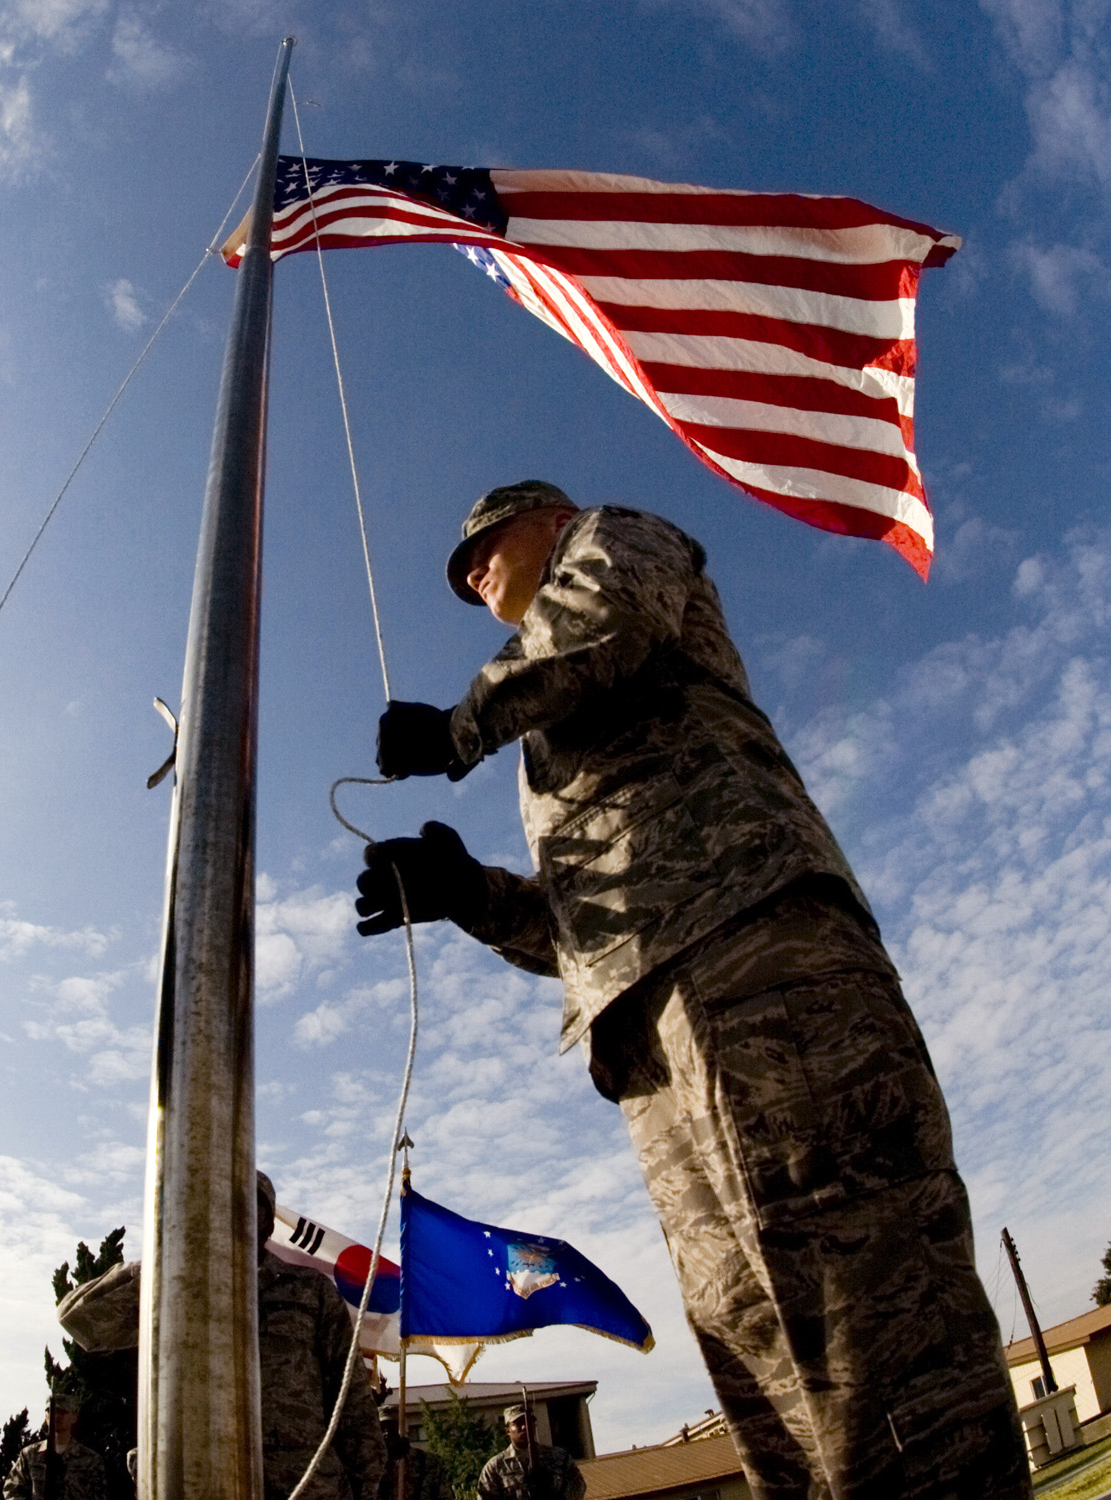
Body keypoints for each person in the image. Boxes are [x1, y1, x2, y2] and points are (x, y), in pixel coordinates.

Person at [354, 483, 1028, 1500]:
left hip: (757, 961)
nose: (469, 570)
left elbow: (610, 616)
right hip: (653, 1030)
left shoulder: (616, 540)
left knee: (860, 1301)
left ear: (551, 518)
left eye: (485, 541)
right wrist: (468, 896)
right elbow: (591, 927)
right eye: (459, 569)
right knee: (755, 1336)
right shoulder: (544, 718)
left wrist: (461, 727)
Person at [57, 1173, 387, 1500]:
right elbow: (81, 1320)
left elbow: (351, 1397)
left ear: (268, 1223)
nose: (237, 1214)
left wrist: (368, 1483)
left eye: (250, 1205)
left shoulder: (309, 1289)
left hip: (300, 1482)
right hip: (195, 1477)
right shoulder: (175, 1282)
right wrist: (163, 1263)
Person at [4, 1390, 108, 1500]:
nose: (56, 1416)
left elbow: (100, 1495)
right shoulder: (29, 1455)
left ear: (74, 1417)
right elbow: (12, 1490)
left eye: (62, 1411)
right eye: (51, 1411)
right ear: (46, 1417)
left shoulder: (90, 1459)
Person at [474, 1405, 582, 1500]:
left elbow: (578, 1486)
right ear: (508, 1430)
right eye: (518, 1423)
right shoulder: (495, 1467)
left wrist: (553, 1489)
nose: (524, 1427)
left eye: (528, 1421)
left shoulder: (559, 1457)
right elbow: (485, 1496)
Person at [378, 1414, 451, 1500]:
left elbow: (442, 1495)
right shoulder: (372, 1464)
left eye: (391, 1427)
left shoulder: (425, 1460)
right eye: (383, 1428)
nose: (387, 1433)